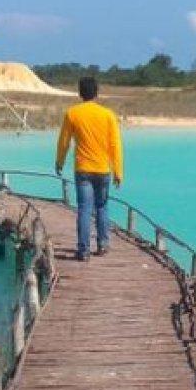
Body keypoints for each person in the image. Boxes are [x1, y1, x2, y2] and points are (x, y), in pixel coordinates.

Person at [55, 77, 123, 261]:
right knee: (101, 206)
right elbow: (115, 145)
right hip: (102, 169)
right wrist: (118, 171)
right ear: (97, 92)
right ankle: (102, 244)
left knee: (84, 209)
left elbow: (64, 142)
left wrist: (59, 162)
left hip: (83, 169)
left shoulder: (72, 113)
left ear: (80, 93)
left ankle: (83, 250)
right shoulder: (108, 115)